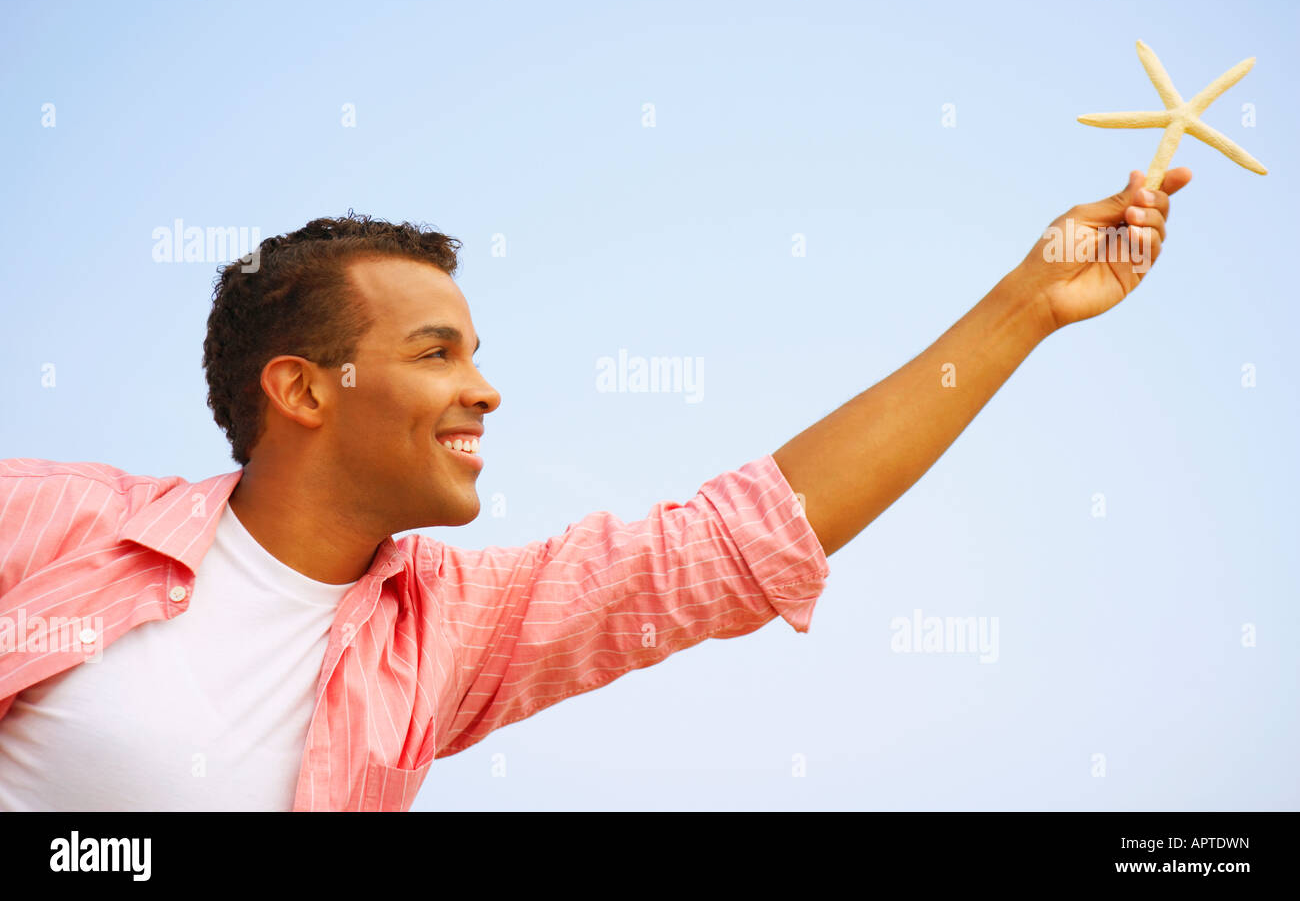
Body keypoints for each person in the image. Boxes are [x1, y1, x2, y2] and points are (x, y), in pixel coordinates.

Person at [0, 168, 1192, 810]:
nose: (485, 390)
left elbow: (734, 541)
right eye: (436, 352)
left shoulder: (449, 633)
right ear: (304, 389)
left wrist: (1029, 302)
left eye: (472, 351)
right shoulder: (56, 521)